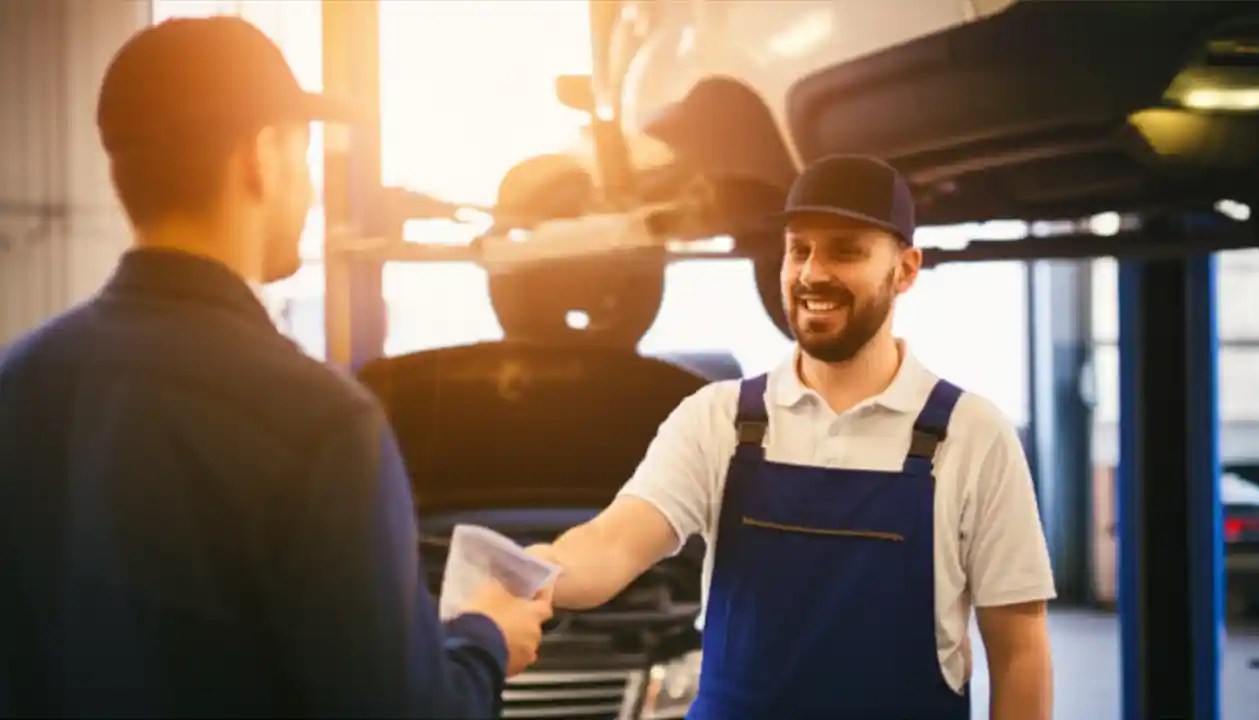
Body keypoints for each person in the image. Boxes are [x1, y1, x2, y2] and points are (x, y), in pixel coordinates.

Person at [0, 16, 550, 718]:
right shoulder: (317, 425)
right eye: (304, 155)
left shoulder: (16, 384)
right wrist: (484, 640)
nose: (310, 189)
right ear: (262, 158)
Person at [528, 154, 1056, 719]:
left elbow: (1019, 651)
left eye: (845, 250)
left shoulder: (970, 435)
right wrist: (529, 574)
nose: (811, 273)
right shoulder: (720, 420)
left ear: (905, 270)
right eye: (798, 248)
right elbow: (613, 544)